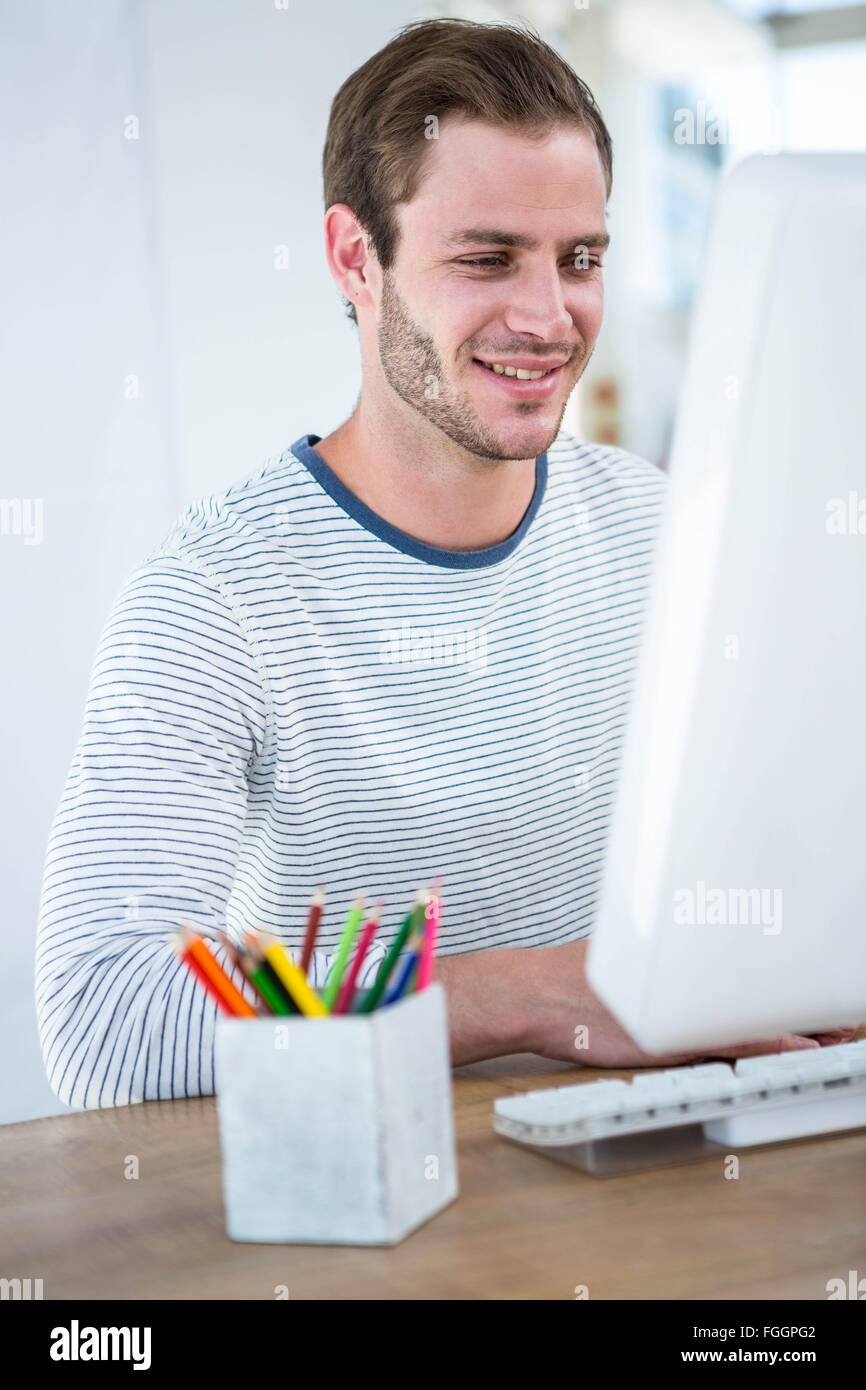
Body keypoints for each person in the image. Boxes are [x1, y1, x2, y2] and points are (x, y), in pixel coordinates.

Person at [36, 19, 850, 1109]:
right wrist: (534, 997)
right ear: (352, 258)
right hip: (375, 1225)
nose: (547, 316)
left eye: (580, 257)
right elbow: (103, 1020)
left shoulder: (664, 531)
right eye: (485, 257)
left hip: (662, 1178)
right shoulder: (209, 600)